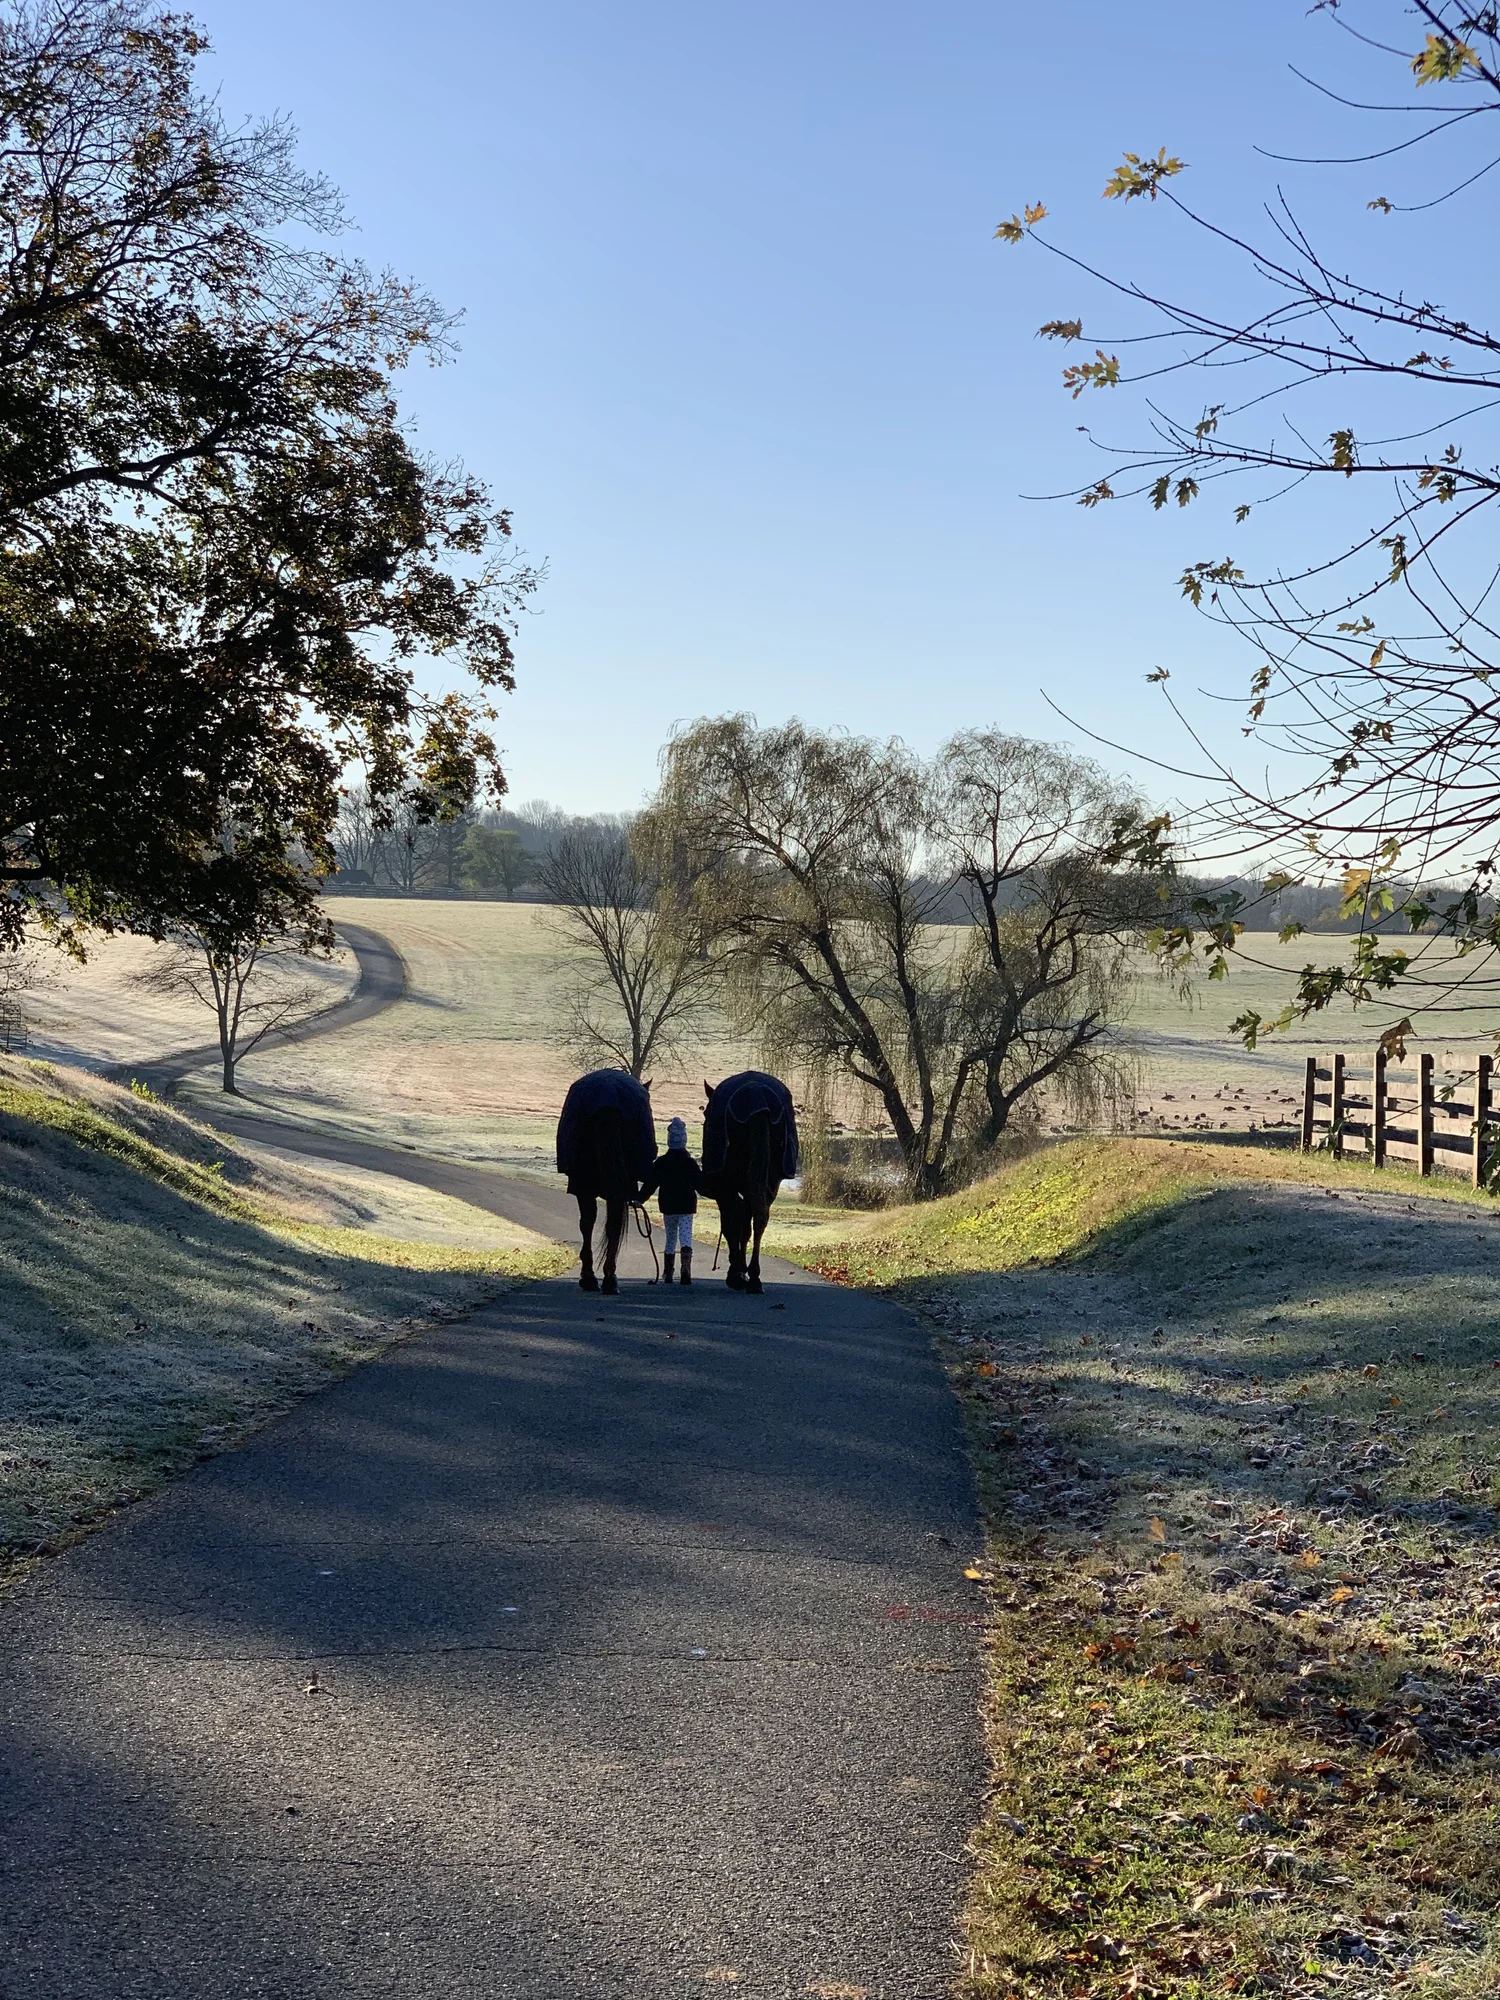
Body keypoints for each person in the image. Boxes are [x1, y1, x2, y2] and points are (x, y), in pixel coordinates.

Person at [638, 1116, 702, 1285]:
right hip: (687, 1205)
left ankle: (668, 1272)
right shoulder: (690, 1163)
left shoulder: (661, 1163)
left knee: (671, 1237)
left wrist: (639, 1199)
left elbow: (651, 1184)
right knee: (686, 1237)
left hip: (668, 1205)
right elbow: (701, 1185)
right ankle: (686, 1270)